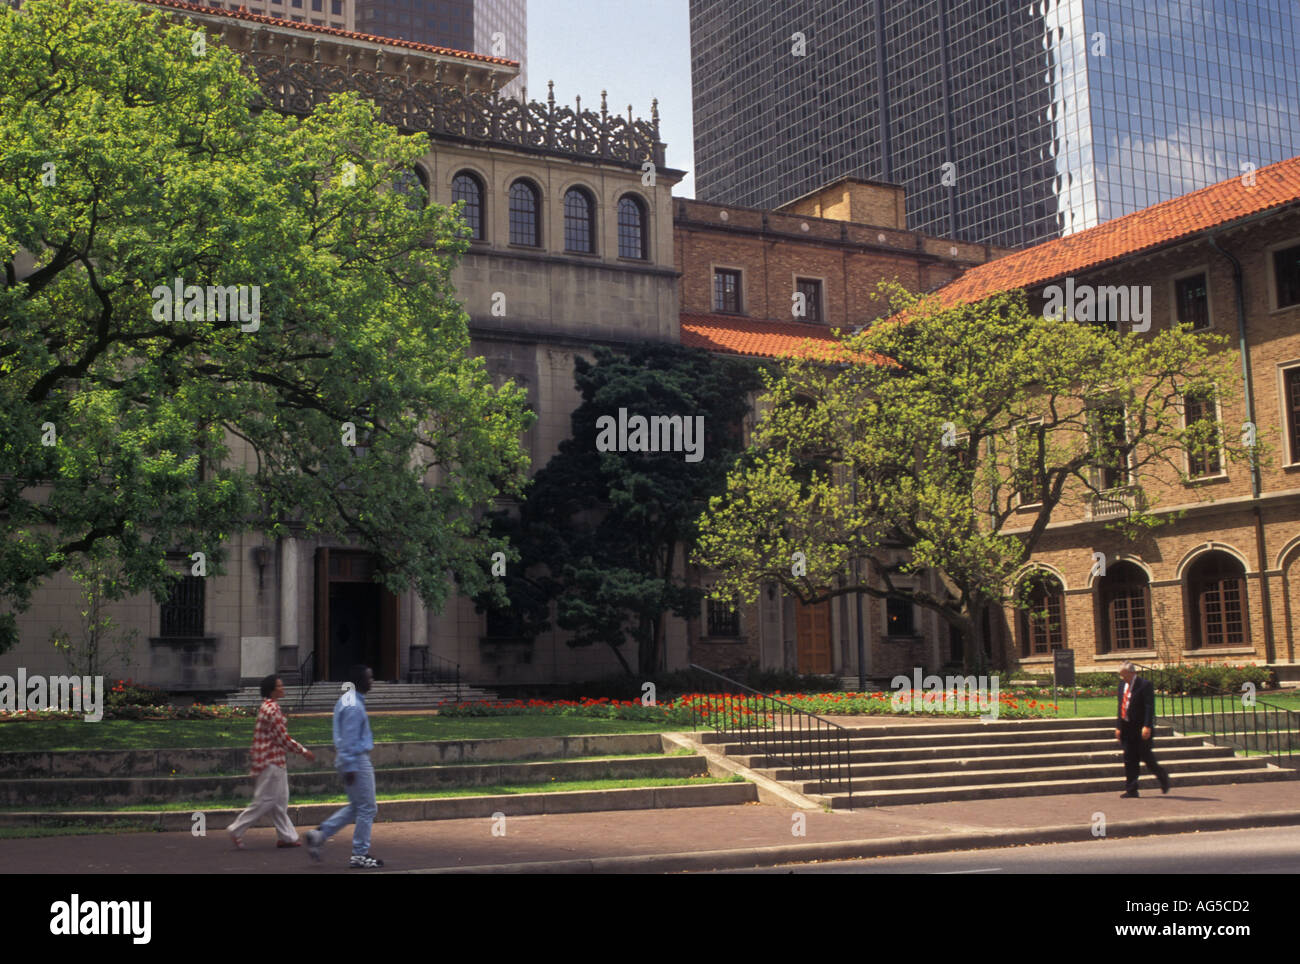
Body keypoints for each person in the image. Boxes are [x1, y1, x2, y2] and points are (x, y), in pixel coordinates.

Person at [304, 665, 383, 868]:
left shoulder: (349, 701)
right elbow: (349, 739)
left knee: (357, 807)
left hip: (351, 759)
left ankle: (319, 834)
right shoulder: (353, 706)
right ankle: (359, 854)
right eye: (369, 678)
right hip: (356, 759)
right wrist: (350, 766)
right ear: (359, 681)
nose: (372, 681)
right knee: (367, 808)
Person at [227, 674, 316, 849]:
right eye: (280, 686)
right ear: (272, 690)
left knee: (280, 801)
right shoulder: (272, 709)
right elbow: (282, 738)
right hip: (271, 762)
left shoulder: (268, 707)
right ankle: (236, 829)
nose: (283, 689)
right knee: (265, 801)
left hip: (273, 760)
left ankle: (287, 837)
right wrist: (303, 751)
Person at [1115, 661, 1170, 798]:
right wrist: (1118, 726)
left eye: (1125, 676)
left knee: (1146, 757)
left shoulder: (1144, 685)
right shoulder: (1122, 685)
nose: (1123, 678)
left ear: (1132, 673)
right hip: (1127, 727)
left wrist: (1147, 725)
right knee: (1129, 758)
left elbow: (1149, 707)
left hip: (1140, 728)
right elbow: (1120, 706)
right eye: (1121, 676)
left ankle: (1162, 776)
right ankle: (1131, 789)